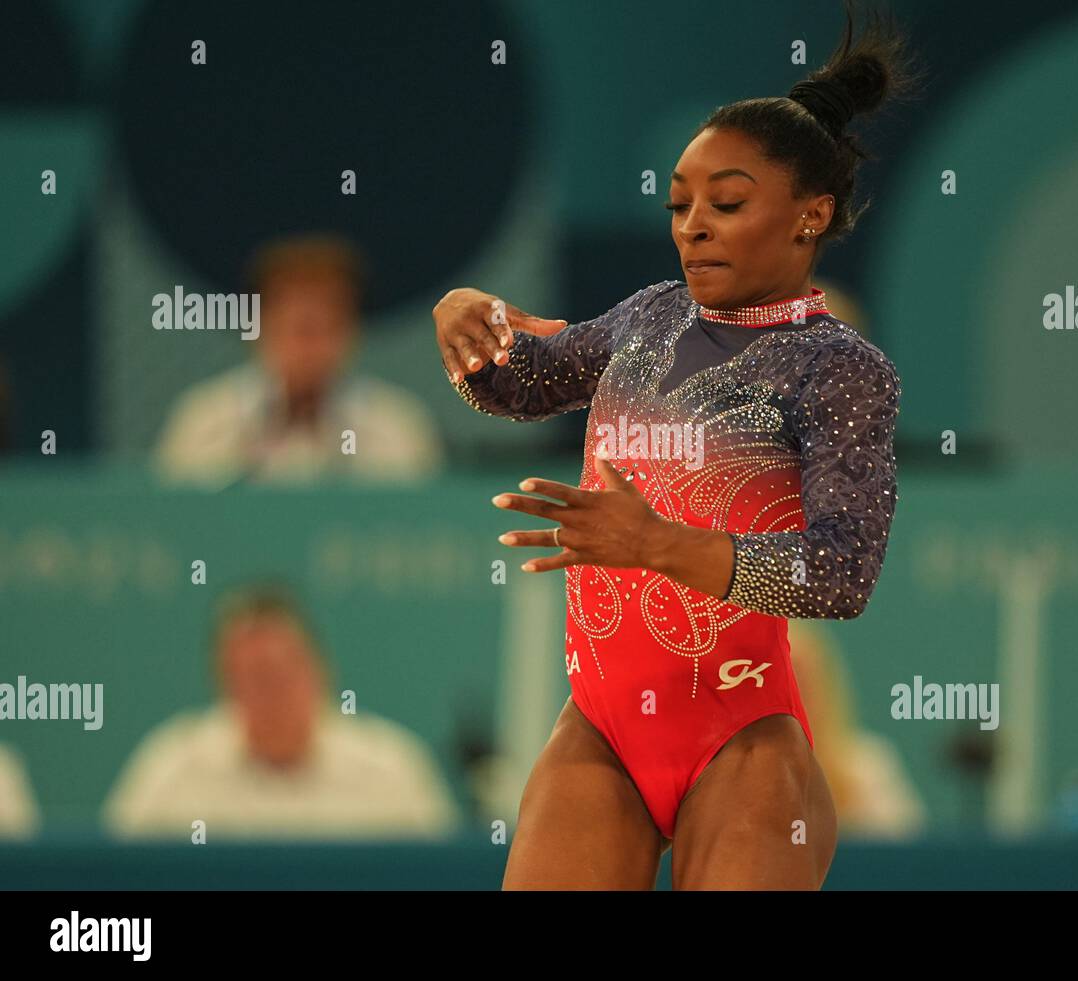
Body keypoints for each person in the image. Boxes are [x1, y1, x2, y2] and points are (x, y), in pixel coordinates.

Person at [434, 8, 915, 889]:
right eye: (680, 205)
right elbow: (520, 383)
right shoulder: (650, 315)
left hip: (741, 732)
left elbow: (843, 574)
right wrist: (465, 320)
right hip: (602, 728)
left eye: (726, 204)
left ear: (811, 215)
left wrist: (654, 543)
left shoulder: (839, 367)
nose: (692, 225)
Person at [103, 586, 459, 839]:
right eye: (247, 680)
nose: (266, 696)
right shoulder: (172, 770)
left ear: (318, 670)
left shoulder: (391, 771)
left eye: (276, 675)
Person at [155, 234, 443, 486]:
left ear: (352, 332)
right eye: (299, 328)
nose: (310, 347)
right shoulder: (203, 423)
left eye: (327, 327)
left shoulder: (398, 429)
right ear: (260, 326)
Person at [786, 620, 925, 838]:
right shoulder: (727, 774)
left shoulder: (867, 769)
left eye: (802, 681)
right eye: (782, 682)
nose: (794, 697)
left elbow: (905, 857)